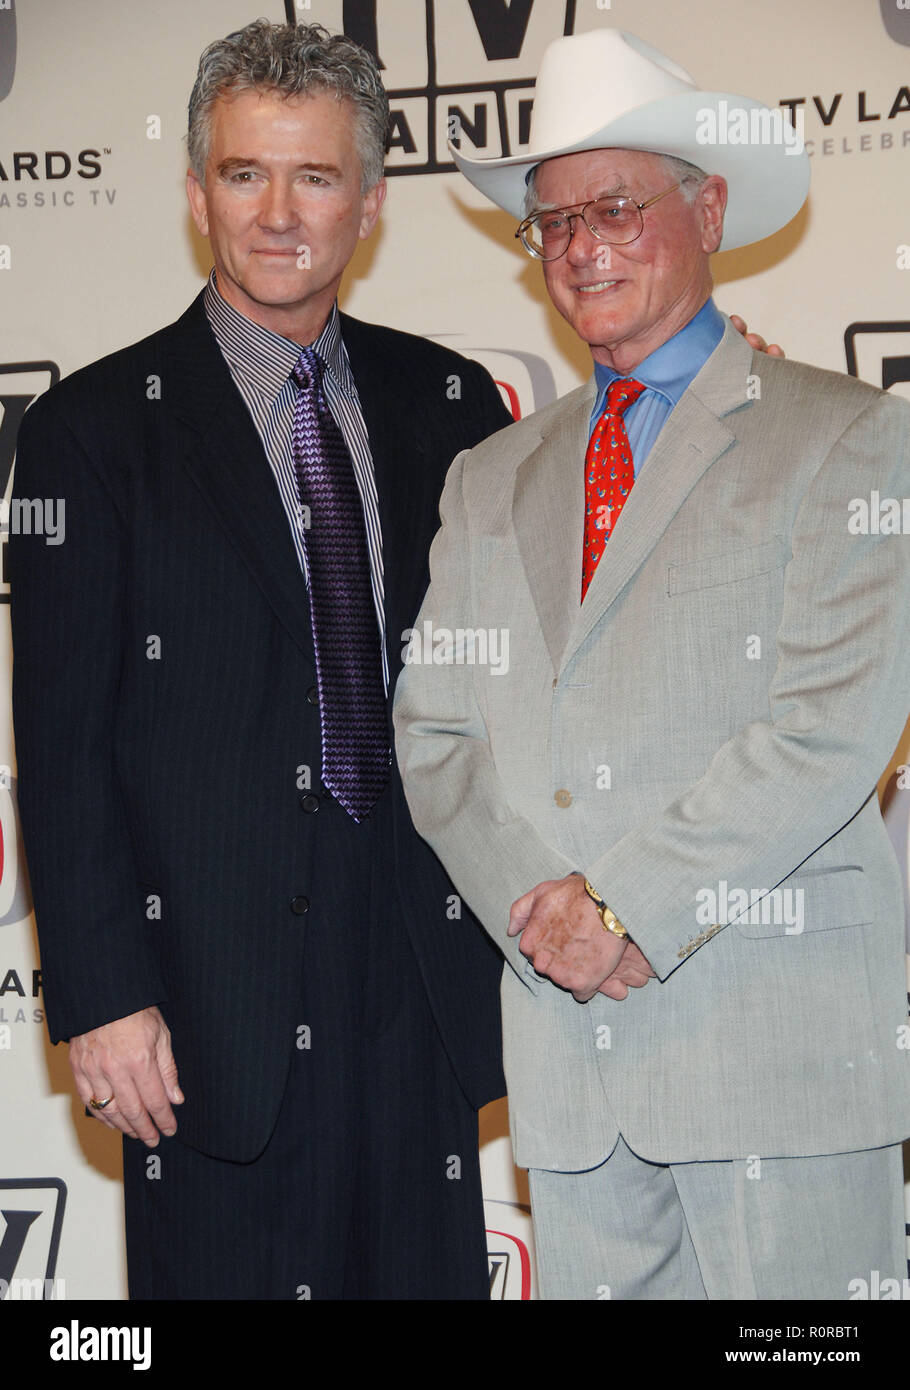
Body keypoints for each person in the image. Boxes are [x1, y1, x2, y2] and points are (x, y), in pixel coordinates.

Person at [394, 27, 910, 1300]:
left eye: (612, 206)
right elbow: (436, 734)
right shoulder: (489, 475)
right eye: (550, 222)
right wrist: (551, 918)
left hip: (777, 1057)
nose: (578, 246)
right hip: (570, 1068)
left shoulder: (851, 441)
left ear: (708, 207)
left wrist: (620, 905)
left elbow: (827, 729)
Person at [10, 20, 513, 1300]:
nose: (279, 214)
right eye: (245, 175)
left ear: (370, 202)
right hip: (200, 997)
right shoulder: (90, 433)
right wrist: (102, 994)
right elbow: (60, 745)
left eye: (315, 176)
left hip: (418, 965)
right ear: (195, 193)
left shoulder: (451, 404)